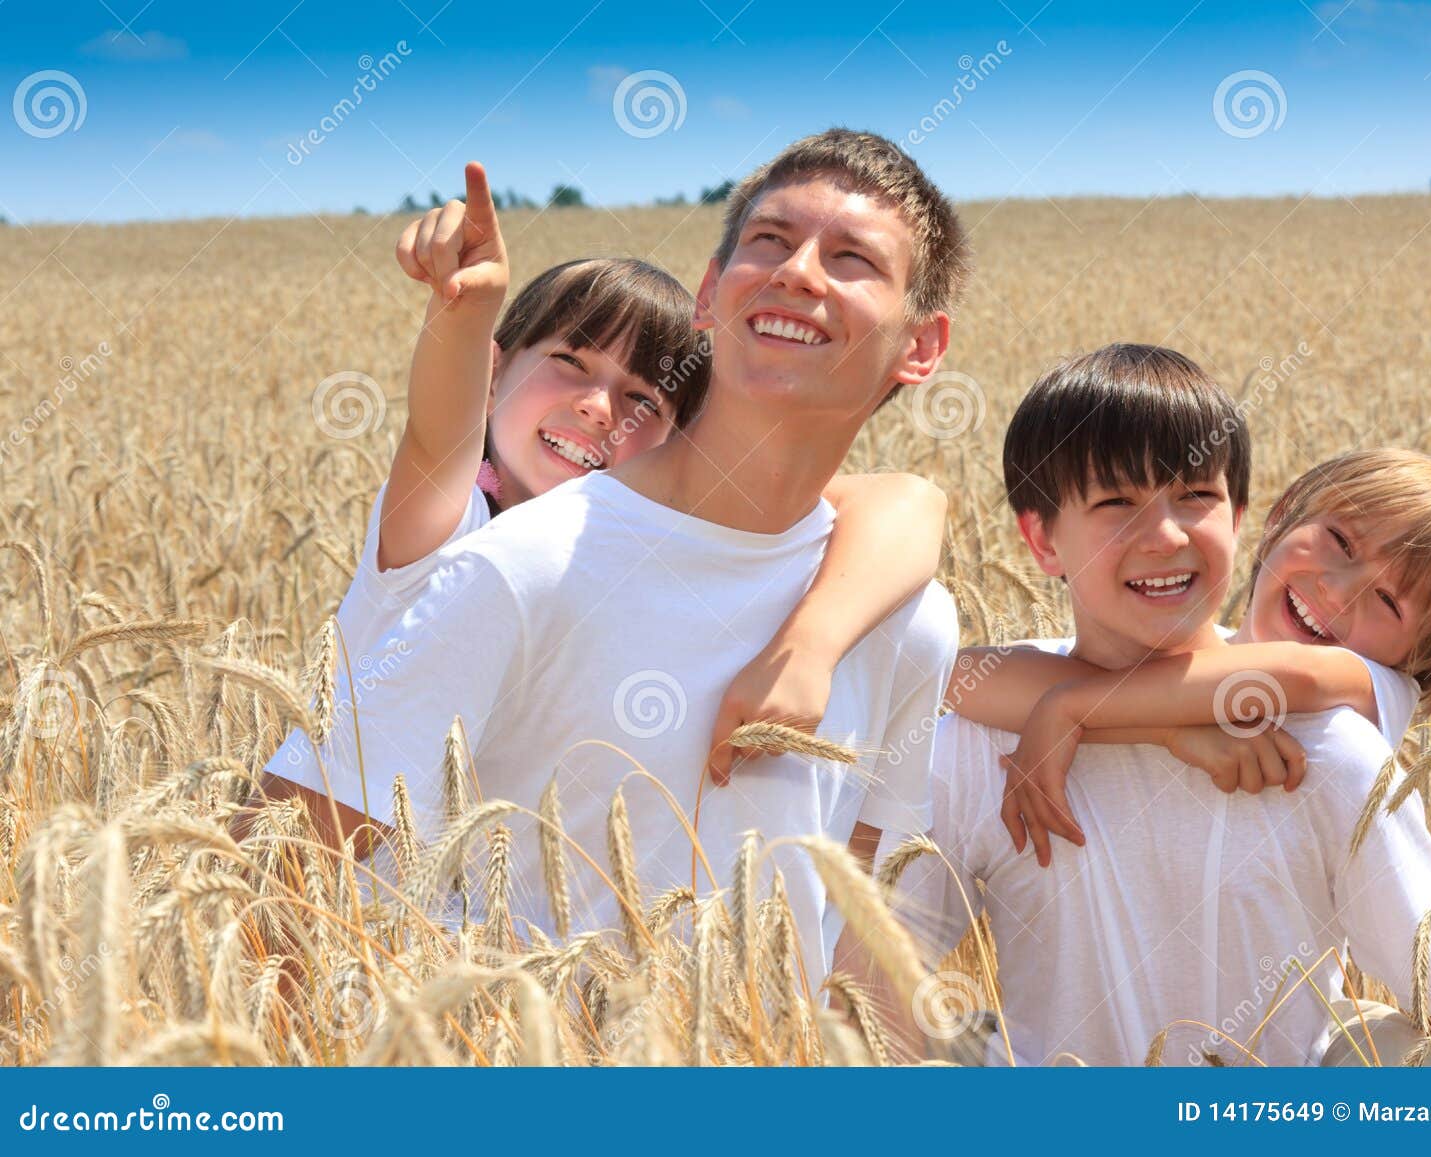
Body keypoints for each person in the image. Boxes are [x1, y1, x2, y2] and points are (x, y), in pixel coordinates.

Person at [264, 130, 970, 992]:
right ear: (713, 293)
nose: (799, 272)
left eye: (854, 257)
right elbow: (279, 867)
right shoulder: (520, 566)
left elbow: (863, 910)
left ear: (924, 347)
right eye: (770, 241)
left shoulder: (906, 618)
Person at [893, 345, 1431, 1065]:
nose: (1163, 535)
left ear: (1239, 512)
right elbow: (859, 982)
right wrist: (1168, 728)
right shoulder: (980, 738)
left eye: (1194, 494)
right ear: (1040, 538)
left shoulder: (1330, 752)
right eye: (1115, 502)